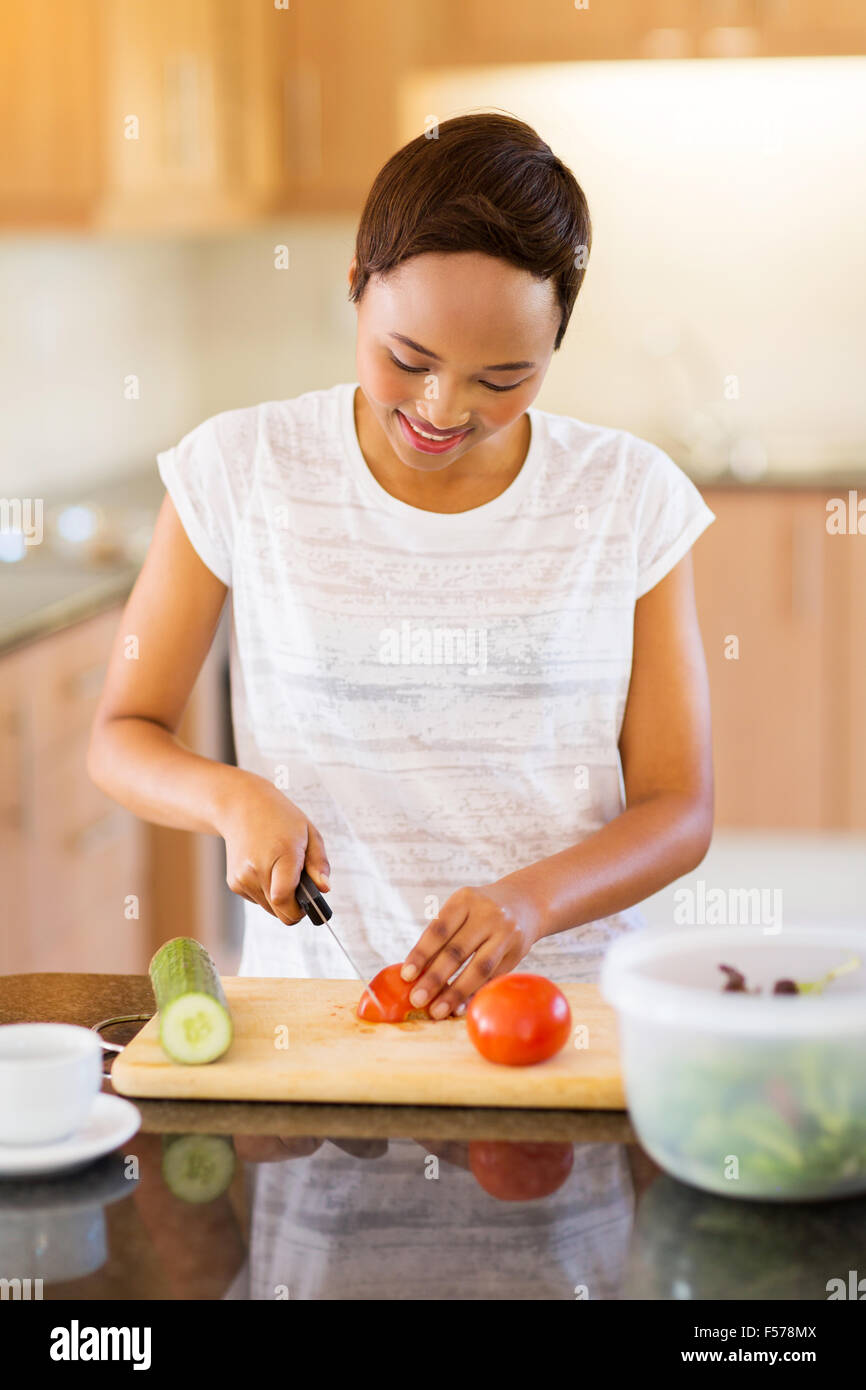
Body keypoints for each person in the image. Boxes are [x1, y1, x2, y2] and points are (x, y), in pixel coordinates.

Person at [88, 113, 715, 1010]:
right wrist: (230, 798)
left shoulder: (628, 495)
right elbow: (122, 736)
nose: (441, 409)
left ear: (554, 346)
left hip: (564, 1021)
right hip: (320, 1015)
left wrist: (531, 902)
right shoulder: (241, 468)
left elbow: (678, 807)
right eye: (408, 359)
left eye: (502, 380)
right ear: (355, 285)